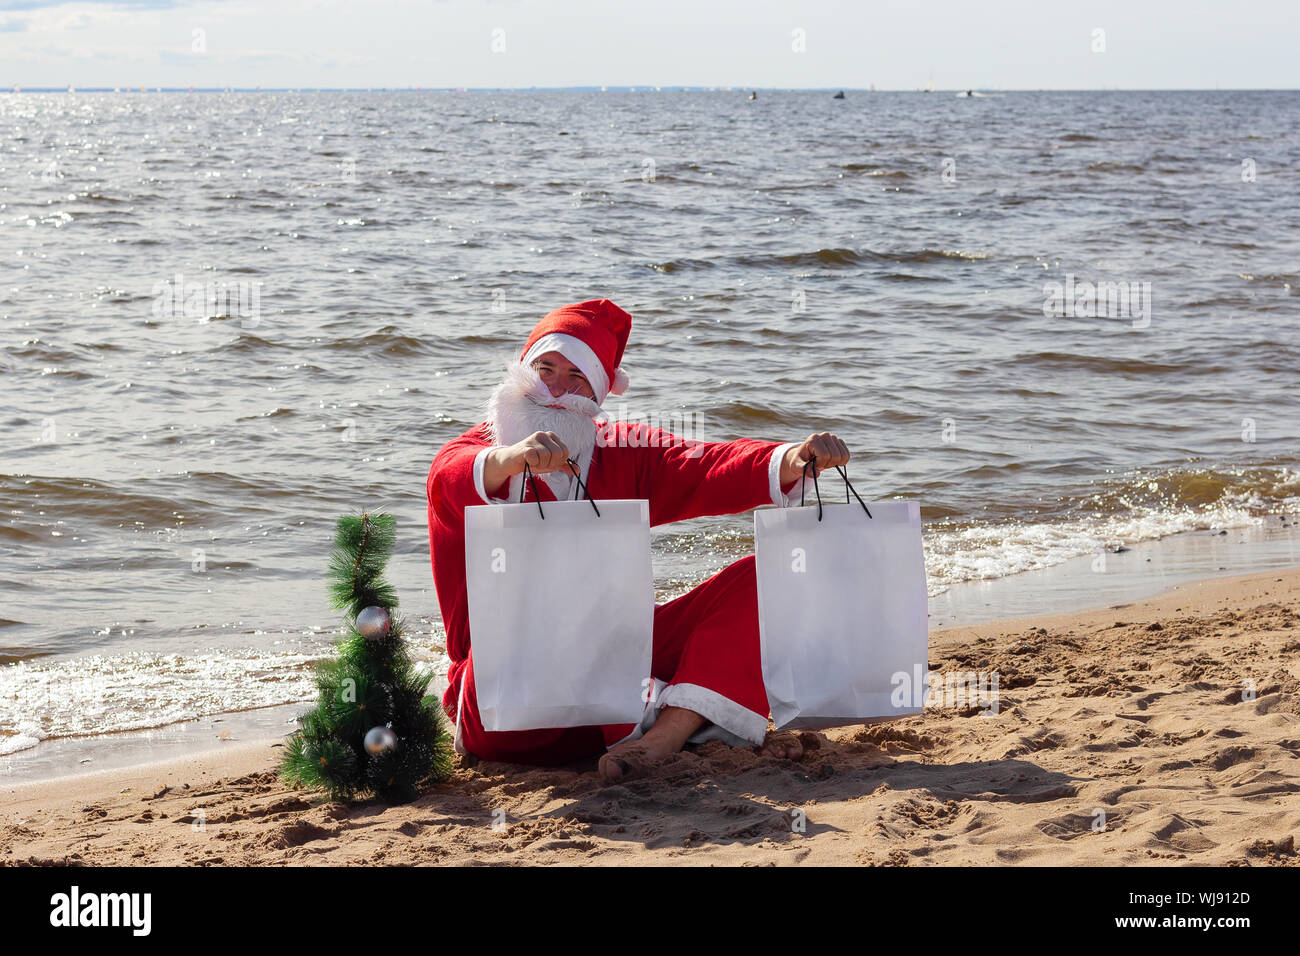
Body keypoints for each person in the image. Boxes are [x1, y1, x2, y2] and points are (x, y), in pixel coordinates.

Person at [425, 298, 851, 782]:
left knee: (772, 574)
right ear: (522, 371)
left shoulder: (622, 453)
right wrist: (511, 459)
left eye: (575, 377)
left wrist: (794, 458)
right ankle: (694, 719)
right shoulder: (470, 455)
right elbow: (451, 479)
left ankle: (669, 733)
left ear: (599, 394)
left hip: (613, 683)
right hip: (509, 708)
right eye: (545, 369)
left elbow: (705, 464)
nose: (555, 390)